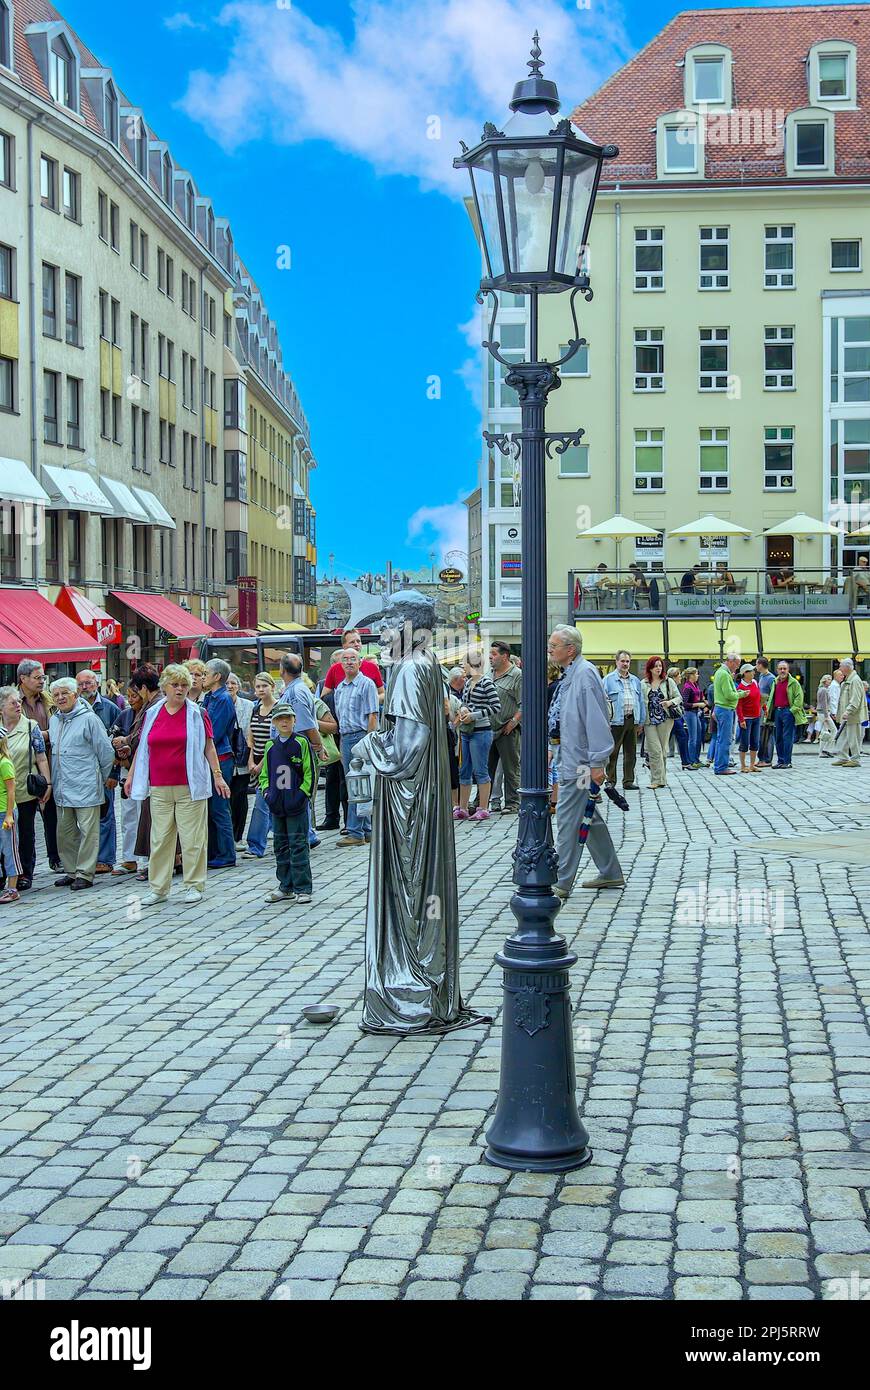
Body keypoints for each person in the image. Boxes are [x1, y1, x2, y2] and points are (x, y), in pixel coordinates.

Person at [350, 591, 481, 1035]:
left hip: (409, 801)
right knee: (423, 891)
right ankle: (431, 986)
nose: (381, 632)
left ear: (407, 627)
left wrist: (369, 745)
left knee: (409, 889)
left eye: (388, 623)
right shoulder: (426, 666)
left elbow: (407, 752)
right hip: (424, 796)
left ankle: (411, 986)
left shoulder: (409, 670)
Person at [127, 664, 230, 905]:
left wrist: (217, 775)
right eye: (175, 685)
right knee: (160, 838)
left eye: (184, 685)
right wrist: (132, 775)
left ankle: (194, 884)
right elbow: (144, 748)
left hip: (189, 785)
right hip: (159, 786)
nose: (181, 689)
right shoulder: (153, 713)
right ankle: (159, 888)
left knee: (191, 837)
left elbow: (209, 745)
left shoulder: (196, 713)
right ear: (165, 686)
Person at [549, 625, 624, 894]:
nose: (549, 649)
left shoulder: (585, 674)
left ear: (570, 649)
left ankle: (561, 880)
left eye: (554, 645)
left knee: (568, 819)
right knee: (588, 818)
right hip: (572, 758)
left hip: (580, 763)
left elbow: (596, 719)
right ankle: (610, 871)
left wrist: (596, 762)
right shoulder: (573, 673)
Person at [48, 678, 115, 890]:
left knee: (89, 832)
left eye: (64, 693)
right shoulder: (54, 720)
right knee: (65, 832)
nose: (60, 698)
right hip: (62, 786)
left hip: (86, 785)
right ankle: (71, 870)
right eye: (56, 694)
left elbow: (105, 752)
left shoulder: (89, 719)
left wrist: (104, 778)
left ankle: (85, 873)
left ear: (75, 695)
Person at [261, 704, 315, 904]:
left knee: (298, 844)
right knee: (280, 845)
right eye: (280, 719)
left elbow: (310, 772)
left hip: (295, 804)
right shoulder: (270, 746)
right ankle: (285, 886)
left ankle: (303, 887)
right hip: (277, 804)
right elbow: (265, 773)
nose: (284, 722)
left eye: (288, 718)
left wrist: (302, 794)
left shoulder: (301, 742)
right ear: (274, 722)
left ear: (294, 720)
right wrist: (267, 793)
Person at [0, 686, 52, 891]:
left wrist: (46, 783)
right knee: (4, 837)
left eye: (18, 702)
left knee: (26, 835)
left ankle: (24, 873)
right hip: (2, 795)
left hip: (24, 790)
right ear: (1, 708)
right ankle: (6, 873)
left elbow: (41, 757)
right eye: (12, 702)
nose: (17, 705)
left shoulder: (31, 726)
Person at [111, 666, 160, 877]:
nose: (132, 699)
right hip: (131, 768)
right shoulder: (129, 713)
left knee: (147, 816)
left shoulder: (154, 706)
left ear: (142, 688)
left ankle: (148, 861)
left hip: (148, 770)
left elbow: (143, 738)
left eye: (134, 694)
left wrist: (127, 742)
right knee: (131, 815)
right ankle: (132, 858)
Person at [279, 654, 329, 847]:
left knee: (298, 790)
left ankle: (306, 833)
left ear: (282, 670)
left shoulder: (297, 691)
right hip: (292, 747)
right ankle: (304, 832)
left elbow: (307, 725)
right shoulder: (295, 688)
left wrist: (318, 747)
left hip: (297, 748)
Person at [76, 669, 121, 874]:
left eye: (88, 683)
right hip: (81, 772)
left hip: (103, 771)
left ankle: (105, 858)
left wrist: (113, 772)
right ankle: (87, 858)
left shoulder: (110, 708)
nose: (85, 687)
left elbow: (117, 743)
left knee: (105, 814)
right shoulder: (73, 710)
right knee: (84, 818)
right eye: (81, 684)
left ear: (97, 683)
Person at [334, 648, 379, 847]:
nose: (350, 662)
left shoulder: (366, 684)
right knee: (355, 783)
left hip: (360, 736)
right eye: (346, 659)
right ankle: (367, 829)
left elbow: (373, 714)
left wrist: (368, 741)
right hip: (346, 737)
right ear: (340, 664)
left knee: (357, 784)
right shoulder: (340, 688)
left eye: (353, 659)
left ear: (359, 662)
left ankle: (355, 832)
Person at [18, 660, 60, 871]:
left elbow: (60, 727)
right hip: (23, 767)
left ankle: (55, 857)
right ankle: (26, 867)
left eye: (43, 677)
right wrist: (40, 735)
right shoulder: (12, 701)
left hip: (48, 763)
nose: (42, 681)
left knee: (51, 814)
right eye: (37, 678)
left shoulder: (49, 700)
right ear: (23, 679)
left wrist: (44, 736)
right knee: (25, 822)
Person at [454, 653, 501, 821]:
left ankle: (483, 807)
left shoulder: (486, 683)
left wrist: (474, 715)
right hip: (467, 731)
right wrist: (464, 710)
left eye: (464, 664)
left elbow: (496, 707)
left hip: (481, 732)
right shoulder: (467, 683)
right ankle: (463, 807)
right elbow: (466, 703)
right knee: (464, 770)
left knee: (480, 770)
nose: (462, 667)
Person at [201, 659, 238, 869]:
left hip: (221, 758)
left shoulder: (223, 699)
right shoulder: (210, 697)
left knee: (220, 808)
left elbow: (214, 731)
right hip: (212, 758)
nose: (203, 676)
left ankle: (226, 854)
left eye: (206, 673)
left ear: (217, 677)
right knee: (212, 808)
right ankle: (215, 852)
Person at [245, 673, 279, 858]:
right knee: (275, 803)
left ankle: (255, 845)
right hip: (257, 760)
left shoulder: (278, 708)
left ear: (272, 687)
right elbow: (253, 739)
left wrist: (261, 765)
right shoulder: (256, 709)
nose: (260, 690)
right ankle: (307, 835)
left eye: (263, 686)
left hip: (273, 760)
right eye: (257, 687)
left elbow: (275, 741)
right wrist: (251, 761)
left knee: (261, 803)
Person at [603, 650, 645, 791]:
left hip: (632, 720)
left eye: (627, 661)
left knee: (631, 752)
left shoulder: (635, 681)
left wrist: (641, 721)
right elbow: (603, 702)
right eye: (623, 661)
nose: (625, 664)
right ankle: (610, 781)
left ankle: (628, 781)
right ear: (616, 662)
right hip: (615, 722)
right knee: (612, 752)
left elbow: (640, 702)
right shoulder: (608, 680)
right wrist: (605, 722)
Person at [487, 641, 521, 814]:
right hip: (487, 730)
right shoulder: (488, 674)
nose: (490, 657)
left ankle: (513, 802)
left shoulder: (517, 675)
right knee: (486, 768)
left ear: (505, 656)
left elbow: (525, 703)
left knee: (510, 769)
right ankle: (482, 802)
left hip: (507, 730)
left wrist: (513, 722)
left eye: (494, 654)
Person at [641, 657, 681, 788]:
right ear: (650, 668)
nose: (658, 668)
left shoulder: (668, 681)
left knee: (662, 749)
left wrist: (669, 702)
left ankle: (661, 780)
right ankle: (656, 780)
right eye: (655, 666)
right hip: (649, 720)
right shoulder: (644, 683)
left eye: (660, 666)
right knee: (655, 749)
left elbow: (678, 697)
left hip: (666, 719)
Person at [321, 630, 385, 705]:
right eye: (352, 642)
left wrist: (369, 701)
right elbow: (324, 698)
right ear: (344, 646)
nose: (356, 644)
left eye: (358, 641)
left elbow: (383, 694)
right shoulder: (335, 669)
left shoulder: (372, 667)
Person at [763, 659, 806, 769]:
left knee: (787, 737)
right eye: (780, 668)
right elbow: (772, 697)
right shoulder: (775, 682)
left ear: (788, 670)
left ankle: (787, 761)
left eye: (784, 668)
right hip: (777, 711)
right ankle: (780, 760)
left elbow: (799, 698)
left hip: (788, 711)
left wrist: (792, 710)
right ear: (777, 670)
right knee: (778, 737)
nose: (782, 670)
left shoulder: (794, 682)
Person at [227, 673, 254, 845]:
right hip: (227, 758)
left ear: (238, 686)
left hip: (243, 756)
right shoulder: (219, 704)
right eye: (227, 683)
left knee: (240, 796)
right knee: (228, 798)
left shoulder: (249, 705)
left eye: (233, 683)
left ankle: (238, 836)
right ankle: (229, 835)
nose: (230, 686)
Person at [0, 725, 21, 904]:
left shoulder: (4, 763)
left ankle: (12, 888)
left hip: (4, 813)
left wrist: (9, 815)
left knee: (9, 850)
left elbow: (11, 791)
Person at [831, 657, 866, 767]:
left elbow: (855, 699)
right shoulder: (848, 680)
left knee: (853, 738)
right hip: (845, 716)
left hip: (852, 716)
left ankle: (855, 759)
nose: (839, 668)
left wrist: (848, 711)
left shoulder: (855, 680)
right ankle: (843, 757)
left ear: (847, 667)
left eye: (841, 666)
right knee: (843, 737)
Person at [736, 663, 762, 772]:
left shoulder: (755, 682)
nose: (754, 673)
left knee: (755, 741)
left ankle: (752, 765)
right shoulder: (740, 687)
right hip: (746, 719)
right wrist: (741, 719)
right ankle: (743, 765)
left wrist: (764, 707)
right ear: (745, 673)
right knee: (745, 742)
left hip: (756, 717)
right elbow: (738, 705)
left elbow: (759, 697)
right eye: (751, 671)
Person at [666, 665, 693, 770]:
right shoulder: (669, 687)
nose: (681, 678)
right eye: (679, 676)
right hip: (673, 715)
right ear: (674, 677)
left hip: (677, 715)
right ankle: (685, 762)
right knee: (680, 737)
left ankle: (686, 761)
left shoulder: (676, 687)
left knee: (682, 737)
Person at [680, 667, 705, 769]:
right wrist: (698, 704)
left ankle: (696, 759)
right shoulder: (687, 687)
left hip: (696, 713)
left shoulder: (695, 685)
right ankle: (690, 761)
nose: (698, 676)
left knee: (699, 737)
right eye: (696, 674)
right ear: (691, 675)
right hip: (690, 713)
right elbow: (684, 704)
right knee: (693, 738)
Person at [755, 658, 775, 767]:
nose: (756, 666)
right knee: (761, 734)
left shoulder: (771, 678)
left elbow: (773, 695)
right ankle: (761, 758)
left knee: (767, 734)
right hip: (760, 708)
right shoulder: (762, 676)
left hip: (766, 709)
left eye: (756, 664)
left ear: (761, 665)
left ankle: (767, 759)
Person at [815, 674, 837, 757]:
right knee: (834, 730)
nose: (830, 681)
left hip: (821, 713)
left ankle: (821, 752)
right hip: (823, 713)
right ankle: (827, 749)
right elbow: (824, 704)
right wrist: (827, 715)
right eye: (828, 679)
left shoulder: (821, 689)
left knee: (824, 732)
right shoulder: (824, 690)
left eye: (830, 679)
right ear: (824, 680)